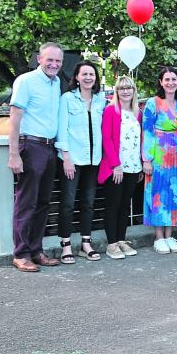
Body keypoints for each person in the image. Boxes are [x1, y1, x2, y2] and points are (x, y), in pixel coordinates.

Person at [7, 42, 64, 272]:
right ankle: (20, 254)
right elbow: (15, 118)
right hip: (31, 146)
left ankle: (36, 250)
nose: (54, 64)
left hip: (49, 149)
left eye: (58, 61)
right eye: (49, 59)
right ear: (39, 59)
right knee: (26, 203)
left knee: (43, 203)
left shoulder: (56, 82)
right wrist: (14, 154)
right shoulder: (26, 81)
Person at [55, 60, 107, 263]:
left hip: (93, 161)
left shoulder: (101, 100)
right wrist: (66, 157)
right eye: (84, 74)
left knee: (88, 203)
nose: (88, 78)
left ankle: (86, 243)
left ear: (96, 78)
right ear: (76, 77)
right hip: (72, 159)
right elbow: (62, 129)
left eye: (91, 74)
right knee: (68, 203)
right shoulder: (67, 99)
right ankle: (66, 244)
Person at [142, 66, 177, 254]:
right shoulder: (153, 103)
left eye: (174, 79)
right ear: (161, 82)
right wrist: (147, 159)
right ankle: (159, 237)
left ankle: (170, 235)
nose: (171, 83)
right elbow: (146, 131)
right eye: (167, 79)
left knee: (174, 194)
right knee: (158, 195)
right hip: (159, 155)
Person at [99, 75, 142, 260]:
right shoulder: (111, 110)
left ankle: (121, 240)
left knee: (125, 205)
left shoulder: (137, 113)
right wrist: (115, 164)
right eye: (122, 88)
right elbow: (106, 139)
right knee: (113, 205)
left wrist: (140, 164)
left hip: (133, 166)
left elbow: (140, 140)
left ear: (134, 91)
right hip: (116, 167)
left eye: (129, 88)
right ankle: (112, 244)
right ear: (117, 91)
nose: (126, 91)